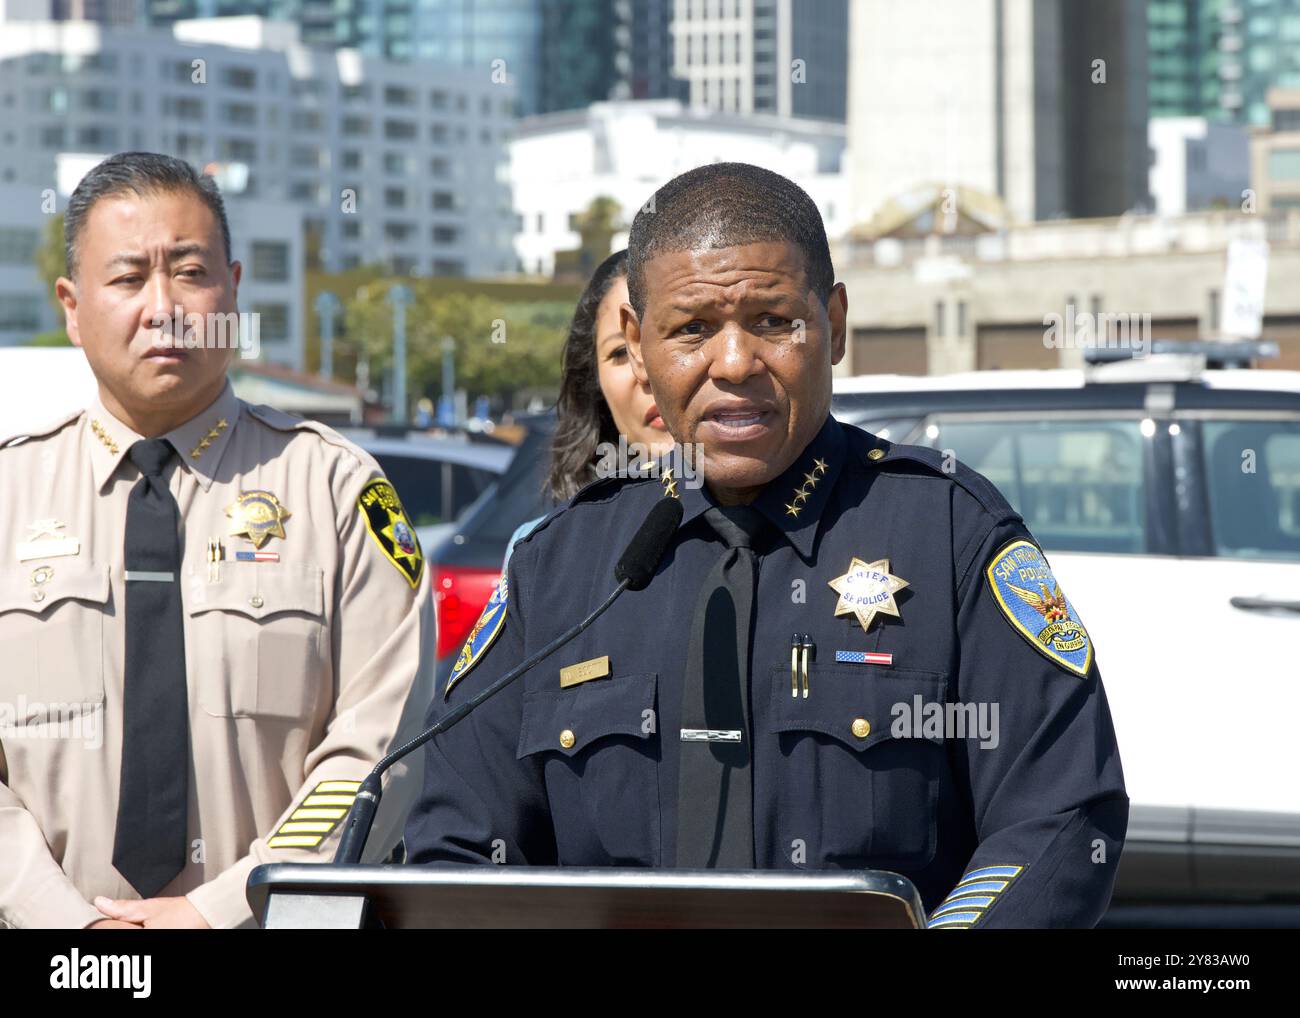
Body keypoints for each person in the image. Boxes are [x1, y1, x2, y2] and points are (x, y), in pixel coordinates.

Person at [403, 162, 1128, 928]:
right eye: (691, 329)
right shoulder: (561, 569)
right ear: (636, 343)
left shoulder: (952, 536)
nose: (736, 363)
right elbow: (457, 848)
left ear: (836, 323)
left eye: (774, 322)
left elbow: (1059, 817)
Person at [0, 152, 435, 929]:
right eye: (128, 278)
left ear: (232, 288)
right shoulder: (10, 494)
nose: (163, 306)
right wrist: (66, 922)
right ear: (72, 306)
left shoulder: (339, 491)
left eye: (190, 273)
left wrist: (223, 908)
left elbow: (379, 744)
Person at [502, 249, 675, 566]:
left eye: (677, 335)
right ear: (594, 383)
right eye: (621, 352)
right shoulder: (539, 555)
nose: (646, 371)